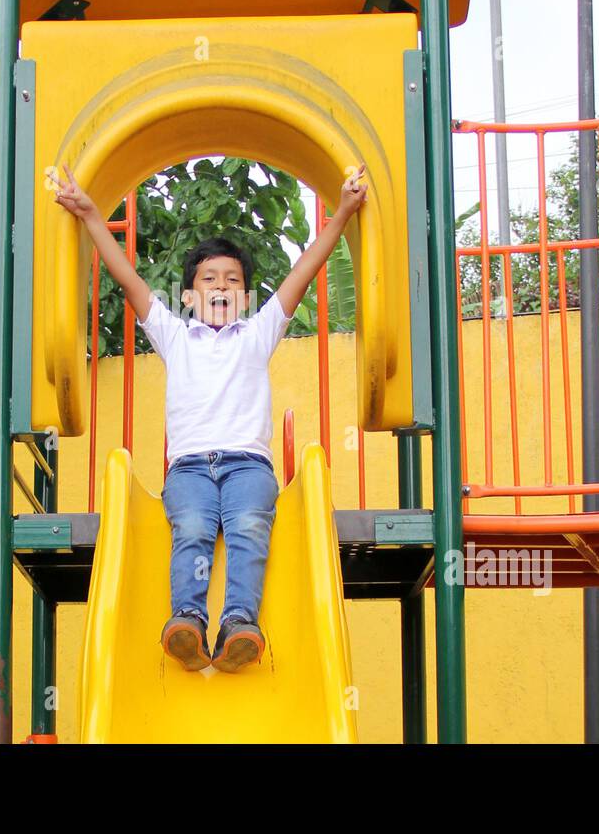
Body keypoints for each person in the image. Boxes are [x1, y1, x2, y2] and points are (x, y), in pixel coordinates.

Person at [50, 161, 367, 672]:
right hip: (191, 467)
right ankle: (188, 623)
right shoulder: (175, 336)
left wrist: (344, 212)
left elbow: (304, 269)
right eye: (208, 279)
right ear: (191, 295)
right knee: (193, 525)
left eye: (233, 279)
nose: (221, 285)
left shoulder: (258, 333)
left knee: (246, 524)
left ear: (244, 295)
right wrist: (90, 216)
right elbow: (127, 279)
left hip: (248, 466)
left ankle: (240, 623)